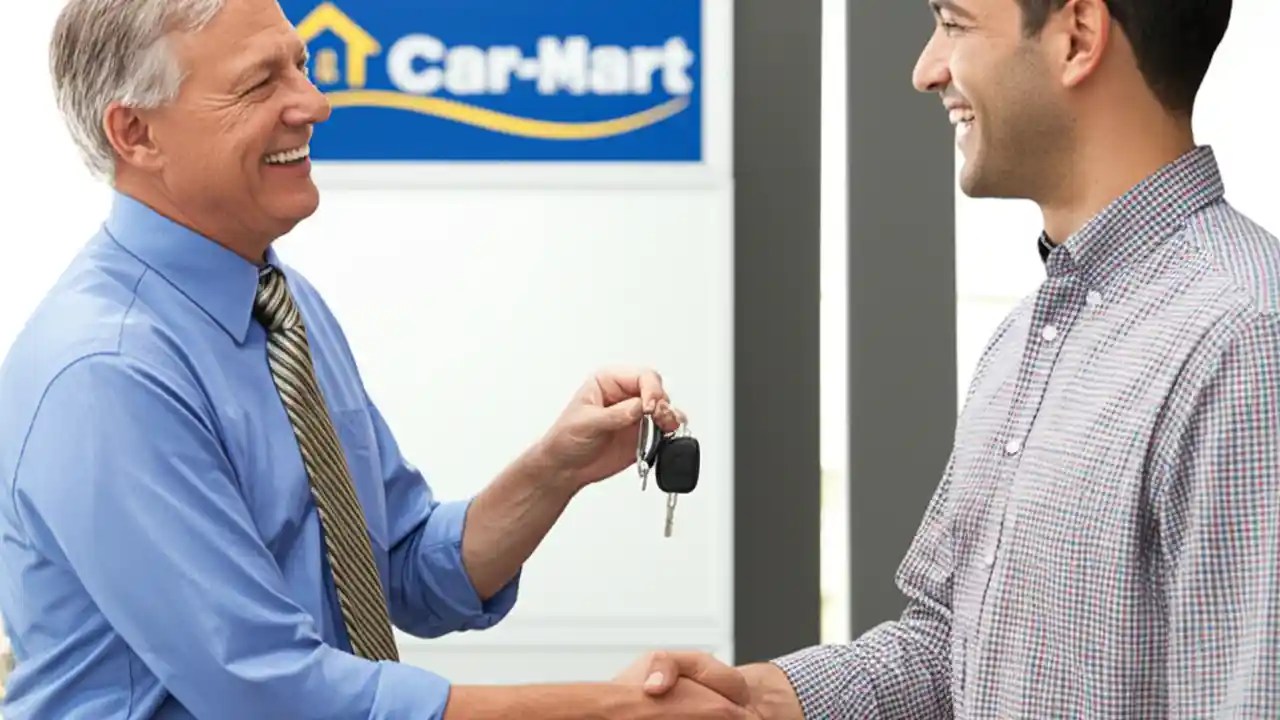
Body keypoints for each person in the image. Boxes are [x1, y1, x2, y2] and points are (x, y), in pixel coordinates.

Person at [0, 0, 757, 718]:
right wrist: (607, 708)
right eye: (261, 82)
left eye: (300, 66)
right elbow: (275, 696)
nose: (313, 103)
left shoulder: (280, 304)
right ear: (137, 134)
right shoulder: (107, 373)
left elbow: (404, 568)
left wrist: (555, 469)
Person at [635, 0, 1280, 717]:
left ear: (1078, 37)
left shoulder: (1245, 339)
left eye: (955, 23)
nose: (925, 70)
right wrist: (758, 697)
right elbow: (953, 649)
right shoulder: (1027, 338)